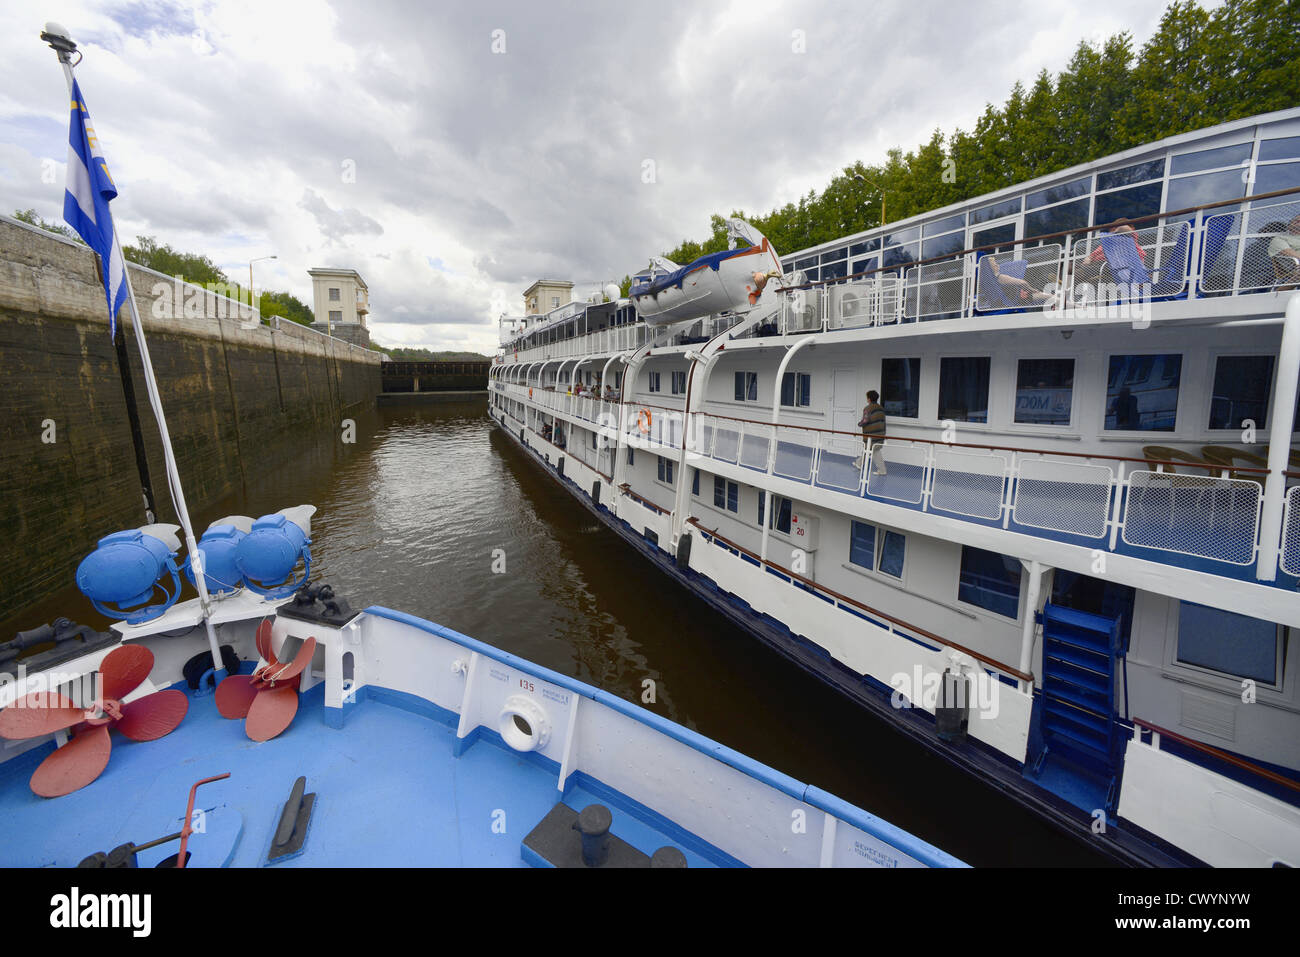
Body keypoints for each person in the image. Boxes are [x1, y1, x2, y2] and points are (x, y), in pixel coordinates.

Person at [986, 255, 1056, 306]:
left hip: (999, 303)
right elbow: (1022, 283)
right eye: (995, 265)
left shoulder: (988, 281)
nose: (998, 265)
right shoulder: (1000, 277)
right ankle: (1063, 302)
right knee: (1044, 295)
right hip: (1018, 300)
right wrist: (1032, 289)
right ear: (991, 269)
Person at [856, 390, 887, 475]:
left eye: (867, 397)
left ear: (869, 399)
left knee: (871, 450)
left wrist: (859, 424)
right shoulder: (881, 408)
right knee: (873, 450)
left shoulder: (867, 408)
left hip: (871, 435)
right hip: (880, 434)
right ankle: (859, 463)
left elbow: (865, 420)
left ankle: (881, 470)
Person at [1266, 214, 1300, 285]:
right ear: (1289, 225)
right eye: (1296, 221)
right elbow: (1293, 255)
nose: (1298, 222)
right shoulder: (1279, 239)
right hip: (1294, 270)